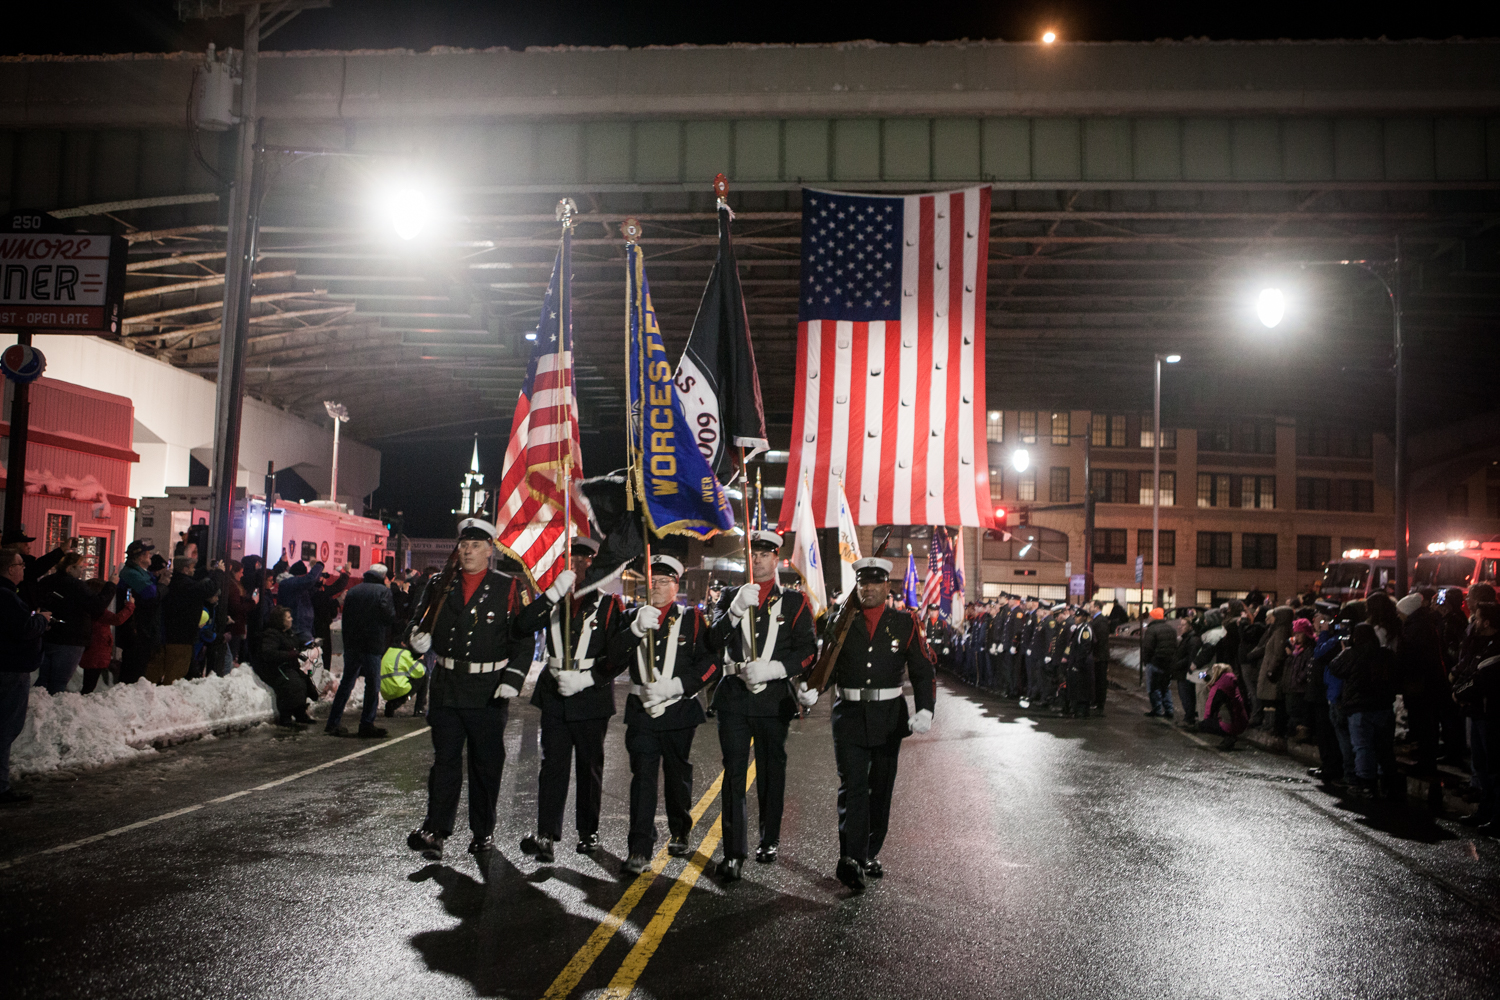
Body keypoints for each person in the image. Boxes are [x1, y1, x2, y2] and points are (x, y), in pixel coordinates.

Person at [405, 519, 536, 862]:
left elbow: (523, 640)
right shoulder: (440, 583)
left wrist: (513, 678)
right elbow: (419, 621)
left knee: (485, 765)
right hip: (448, 686)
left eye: (476, 545)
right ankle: (435, 830)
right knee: (444, 762)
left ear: (490, 550)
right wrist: (416, 638)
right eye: (464, 544)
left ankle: (482, 832)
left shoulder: (508, 587)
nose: (468, 551)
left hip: (488, 690)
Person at [803, 556, 936, 893]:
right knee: (852, 788)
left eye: (875, 583)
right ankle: (851, 858)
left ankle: (870, 851)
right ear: (857, 586)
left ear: (886, 587)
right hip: (847, 715)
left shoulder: (905, 623)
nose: (868, 589)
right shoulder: (841, 621)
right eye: (863, 583)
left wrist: (926, 710)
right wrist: (811, 690)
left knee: (881, 788)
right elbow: (827, 665)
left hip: (888, 718)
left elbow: (922, 670)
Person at [707, 530, 817, 879]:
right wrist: (735, 610)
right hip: (735, 697)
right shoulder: (729, 596)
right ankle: (733, 852)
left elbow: (808, 652)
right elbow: (711, 641)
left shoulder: (795, 603)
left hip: (773, 700)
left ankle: (769, 839)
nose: (757, 560)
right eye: (753, 554)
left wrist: (775, 668)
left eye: (765, 554)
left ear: (777, 559)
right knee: (734, 775)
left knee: (771, 773)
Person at [513, 536, 624, 862]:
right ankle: (546, 834)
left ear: (594, 566)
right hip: (556, 694)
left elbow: (618, 655)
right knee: (553, 767)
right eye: (570, 559)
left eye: (583, 560)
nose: (575, 565)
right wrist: (550, 595)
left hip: (591, 695)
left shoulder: (608, 605)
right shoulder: (555, 601)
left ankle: (588, 833)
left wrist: (590, 677)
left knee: (589, 768)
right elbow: (522, 626)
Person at [608, 553, 719, 876]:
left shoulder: (693, 619)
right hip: (641, 712)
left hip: (679, 711)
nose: (655, 586)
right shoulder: (631, 615)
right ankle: (639, 848)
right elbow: (612, 657)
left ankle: (680, 829)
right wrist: (633, 630)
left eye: (662, 581)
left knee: (677, 776)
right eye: (651, 581)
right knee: (642, 779)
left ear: (675, 585)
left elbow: (711, 663)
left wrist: (680, 686)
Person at [1329, 618, 1400, 799]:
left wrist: (1345, 651)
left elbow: (1334, 667)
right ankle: (1389, 783)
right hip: (1383, 706)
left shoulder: (1352, 653)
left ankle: (1366, 784)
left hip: (1359, 708)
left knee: (1363, 746)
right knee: (1384, 746)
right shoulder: (1386, 653)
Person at [0, 545, 51, 803]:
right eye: (20, 564)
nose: (24, 568)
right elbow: (23, 628)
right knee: (6, 728)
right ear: (10, 569)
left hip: (9, 668)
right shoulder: (6, 597)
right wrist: (41, 619)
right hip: (10, 670)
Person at [326, 563, 396, 738]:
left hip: (352, 644)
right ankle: (366, 723)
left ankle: (333, 722)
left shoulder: (354, 591)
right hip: (372, 644)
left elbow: (346, 618)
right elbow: (389, 617)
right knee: (372, 684)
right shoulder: (383, 592)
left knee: (346, 683)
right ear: (382, 576)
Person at [35, 552, 114, 694]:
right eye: (79, 567)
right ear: (69, 568)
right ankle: (52, 711)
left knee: (44, 679)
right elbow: (96, 605)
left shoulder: (46, 582)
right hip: (71, 637)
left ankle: (40, 708)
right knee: (59, 682)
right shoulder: (76, 585)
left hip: (48, 634)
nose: (81, 570)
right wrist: (111, 586)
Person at [1452, 603, 1500, 833]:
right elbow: (1469, 671)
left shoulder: (1495, 648)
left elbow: (1480, 678)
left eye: (1478, 618)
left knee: (1493, 767)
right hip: (1477, 712)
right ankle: (1484, 810)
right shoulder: (1478, 644)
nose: (1474, 621)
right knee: (1482, 766)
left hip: (1489, 714)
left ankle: (1495, 816)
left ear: (1488, 622)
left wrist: (1459, 693)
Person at [150, 545, 218, 685]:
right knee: (176, 673)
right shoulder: (184, 584)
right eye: (191, 567)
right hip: (181, 636)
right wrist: (218, 574)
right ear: (185, 569)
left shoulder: (175, 582)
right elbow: (206, 588)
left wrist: (207, 570)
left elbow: (197, 581)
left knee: (163, 670)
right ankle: (165, 700)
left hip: (169, 634)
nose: (193, 570)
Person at [254, 607, 317, 727]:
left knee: (304, 679)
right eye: (288, 617)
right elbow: (269, 653)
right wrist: (290, 654)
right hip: (276, 669)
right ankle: (286, 715)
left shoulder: (288, 633)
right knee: (291, 683)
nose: (291, 619)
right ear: (280, 620)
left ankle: (300, 712)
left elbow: (294, 644)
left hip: (288, 667)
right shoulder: (271, 635)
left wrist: (305, 645)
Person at [117, 540, 163, 685]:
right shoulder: (131, 573)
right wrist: (163, 585)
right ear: (140, 557)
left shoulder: (141, 573)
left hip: (144, 628)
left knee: (141, 666)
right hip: (136, 629)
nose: (150, 556)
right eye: (147, 553)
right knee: (133, 669)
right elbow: (150, 593)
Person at [80, 579, 133, 694]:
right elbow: (117, 619)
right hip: (97, 651)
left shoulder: (87, 609)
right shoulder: (98, 611)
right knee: (90, 684)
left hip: (92, 651)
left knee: (89, 681)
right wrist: (130, 606)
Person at [1248, 606, 1293, 739]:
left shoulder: (1281, 631)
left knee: (1273, 700)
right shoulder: (1277, 630)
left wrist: (1271, 670)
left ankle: (1273, 726)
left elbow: (1278, 653)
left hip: (1273, 672)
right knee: (1268, 700)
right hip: (1269, 668)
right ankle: (1269, 724)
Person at [1197, 661, 1249, 749]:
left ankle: (1229, 736)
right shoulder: (1231, 681)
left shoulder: (1218, 689)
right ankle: (1229, 736)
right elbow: (1215, 681)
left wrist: (1206, 722)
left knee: (1203, 725)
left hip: (1231, 725)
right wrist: (1205, 677)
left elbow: (1210, 708)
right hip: (1242, 722)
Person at [1140, 607, 1177, 719]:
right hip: (1168, 664)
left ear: (1153, 617)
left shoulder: (1152, 630)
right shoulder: (1171, 629)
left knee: (1153, 687)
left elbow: (1148, 648)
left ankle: (1157, 709)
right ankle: (1169, 709)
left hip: (1155, 663)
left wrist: (1146, 661)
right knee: (1165, 686)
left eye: (1150, 616)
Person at [274, 560, 324, 641]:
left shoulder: (292, 585)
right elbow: (310, 580)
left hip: (300, 627)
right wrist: (319, 565)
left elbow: (308, 594)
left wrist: (317, 584)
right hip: (298, 628)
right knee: (307, 651)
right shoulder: (290, 583)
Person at [380, 642, 427, 717]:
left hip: (385, 691)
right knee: (424, 676)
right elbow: (419, 671)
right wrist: (421, 660)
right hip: (398, 689)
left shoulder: (389, 651)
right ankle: (419, 709)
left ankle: (392, 703)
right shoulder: (404, 653)